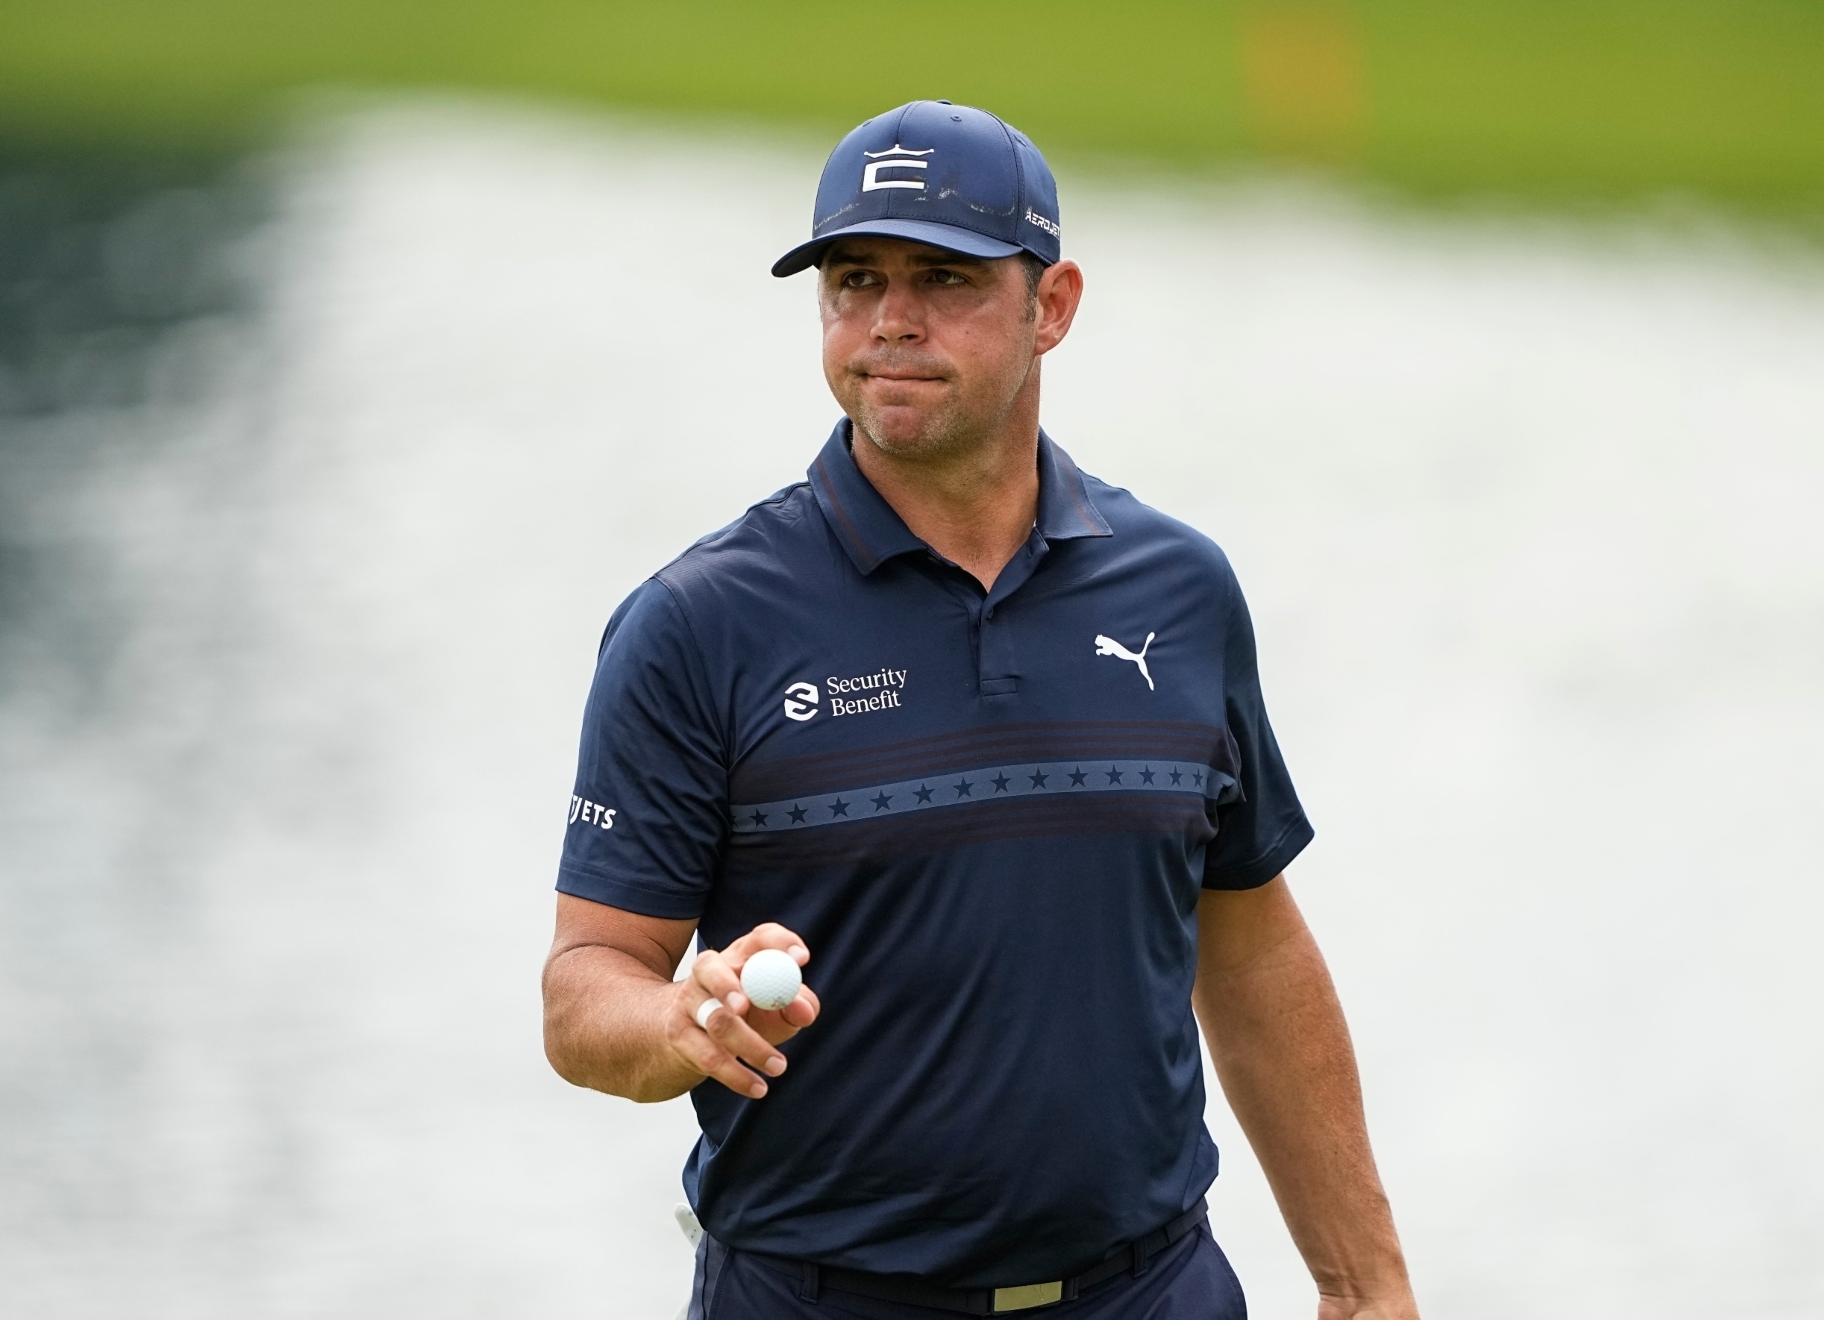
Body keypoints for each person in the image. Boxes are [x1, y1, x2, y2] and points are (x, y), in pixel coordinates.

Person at [542, 100, 1419, 1320]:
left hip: (1151, 1291)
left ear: (1049, 306)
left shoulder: (1179, 591)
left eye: (942, 278)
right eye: (855, 280)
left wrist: (1364, 1284)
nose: (890, 320)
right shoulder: (699, 625)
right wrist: (677, 1019)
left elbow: (1251, 940)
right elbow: (588, 985)